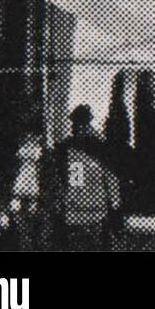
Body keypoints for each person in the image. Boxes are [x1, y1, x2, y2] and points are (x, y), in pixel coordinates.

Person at [54, 106, 121, 252]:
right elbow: (110, 178)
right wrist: (115, 203)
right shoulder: (100, 146)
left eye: (75, 124)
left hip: (80, 210)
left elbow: (75, 181)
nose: (73, 128)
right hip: (94, 208)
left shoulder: (73, 148)